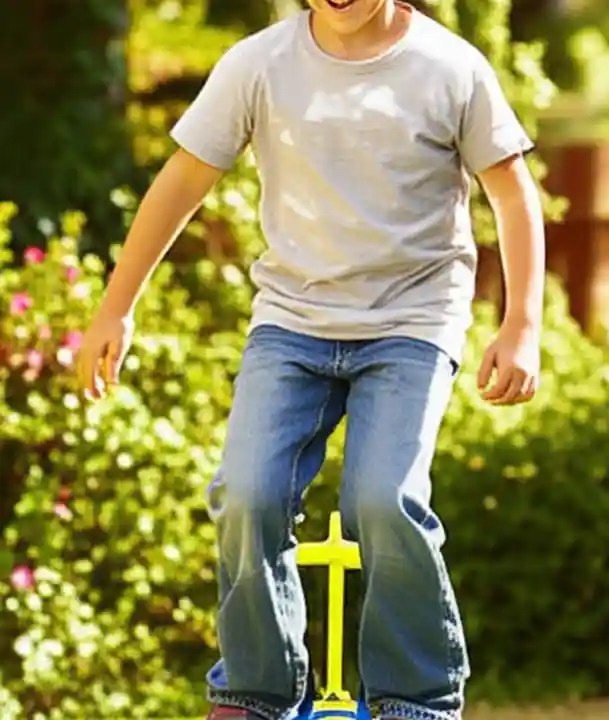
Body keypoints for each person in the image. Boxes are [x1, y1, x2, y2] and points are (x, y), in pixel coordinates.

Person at [75, 1, 545, 718]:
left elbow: (512, 195)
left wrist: (522, 324)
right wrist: (116, 306)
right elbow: (182, 181)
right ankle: (254, 689)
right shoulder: (259, 64)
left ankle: (417, 698)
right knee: (247, 495)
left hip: (411, 323)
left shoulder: (450, 68)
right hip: (292, 322)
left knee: (383, 500)